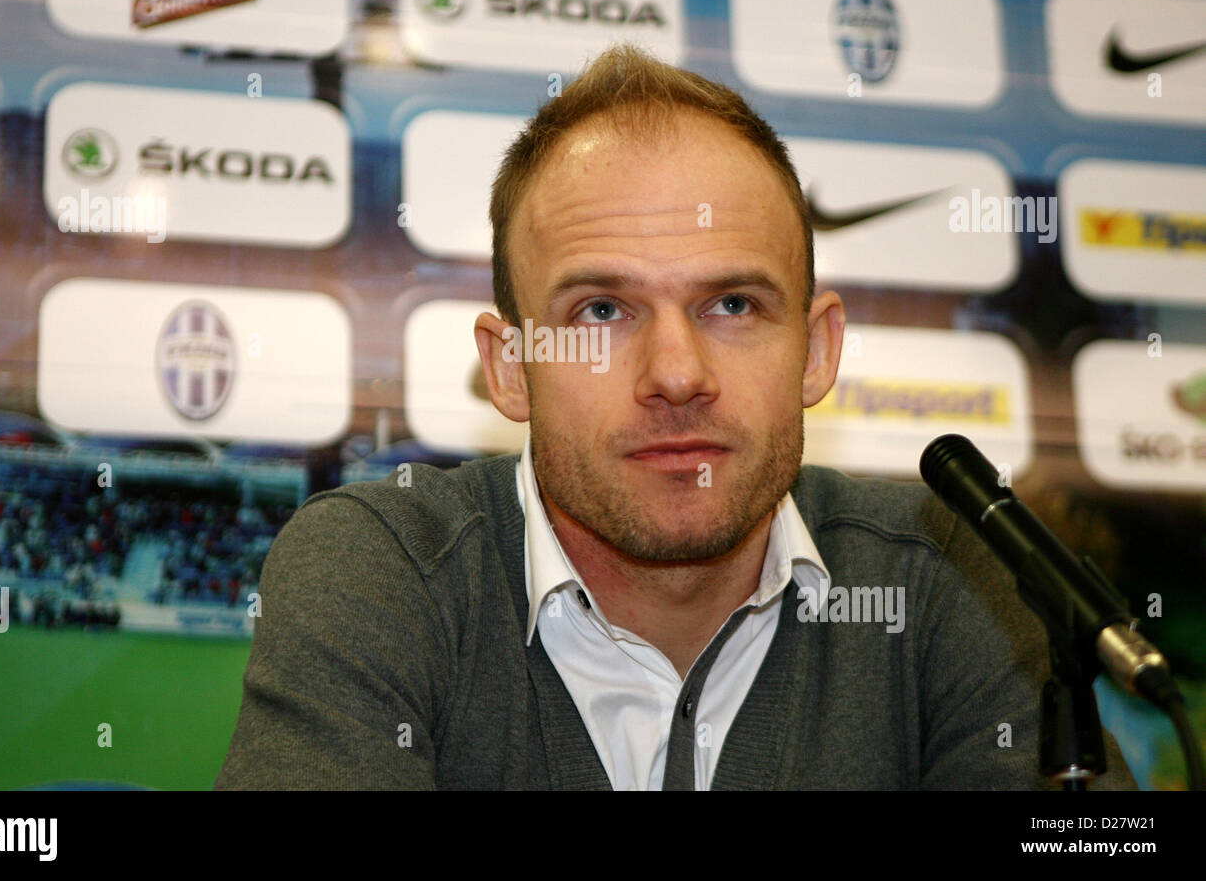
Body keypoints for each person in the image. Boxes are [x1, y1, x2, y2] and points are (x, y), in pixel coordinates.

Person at [216, 44, 1136, 790]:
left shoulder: (956, 575)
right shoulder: (382, 574)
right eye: (603, 312)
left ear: (817, 351)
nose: (677, 375)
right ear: (512, 369)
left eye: (732, 305)